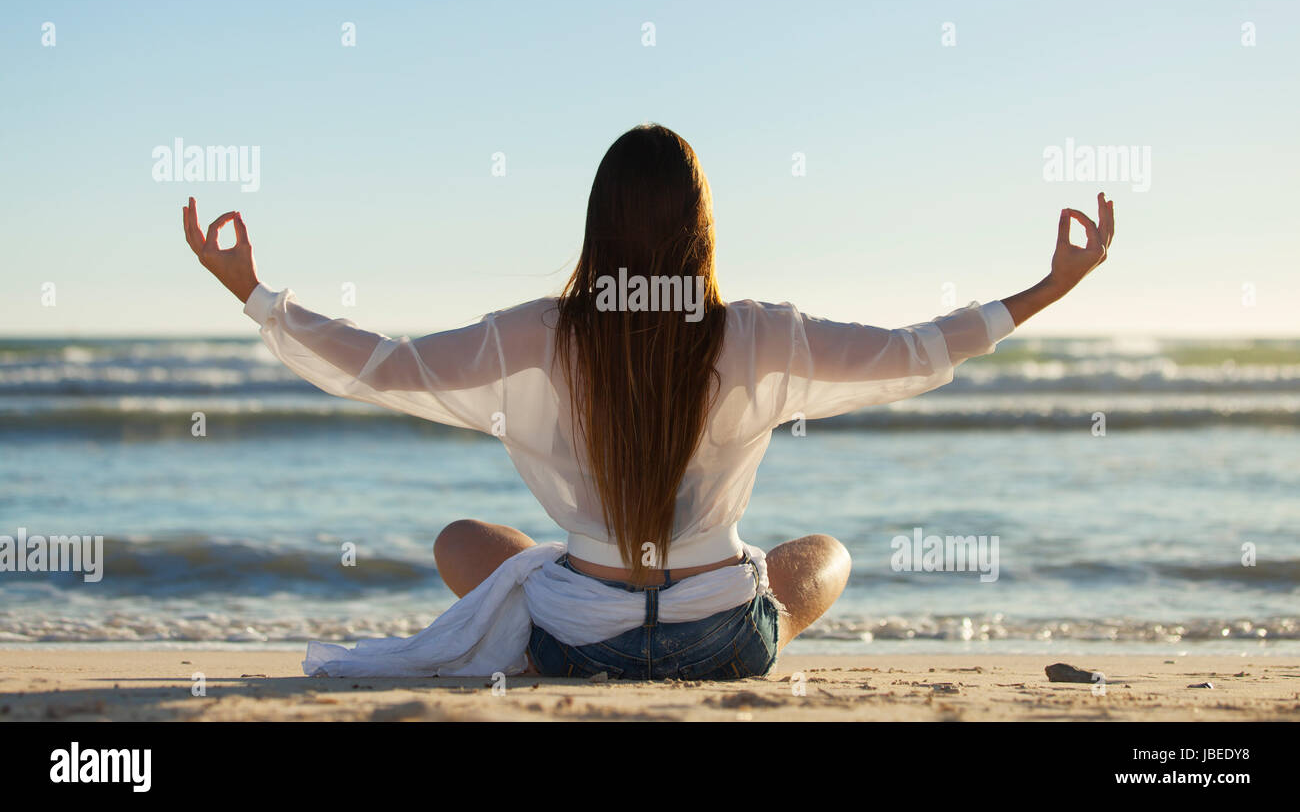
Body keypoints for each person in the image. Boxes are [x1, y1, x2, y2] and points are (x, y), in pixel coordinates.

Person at [181, 123, 1114, 680]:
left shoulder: (540, 333)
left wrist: (257, 295)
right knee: (824, 554)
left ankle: (578, 597)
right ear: (700, 227)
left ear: (599, 224)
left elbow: (387, 364)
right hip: (722, 642)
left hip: (574, 642)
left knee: (463, 540)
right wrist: (1048, 286)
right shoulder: (758, 332)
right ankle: (723, 611)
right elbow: (914, 351)